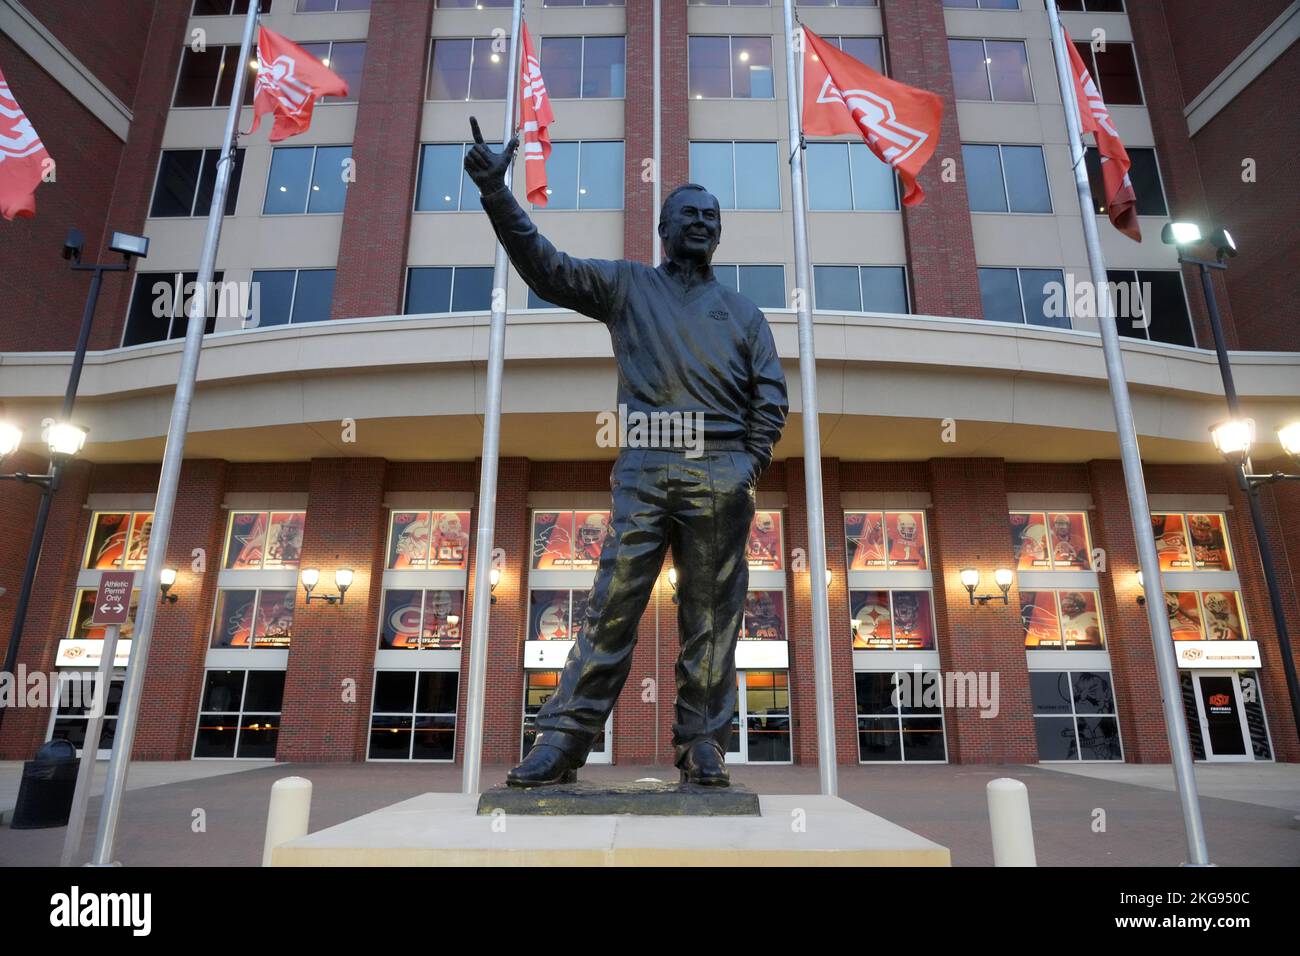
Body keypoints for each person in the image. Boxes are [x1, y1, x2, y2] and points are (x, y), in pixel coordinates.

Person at [465, 119, 788, 787]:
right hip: (644, 463)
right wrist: (497, 193)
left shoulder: (743, 313)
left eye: (709, 216)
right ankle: (564, 739)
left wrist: (747, 463)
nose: (699, 223)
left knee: (712, 615)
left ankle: (702, 742)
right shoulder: (626, 287)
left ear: (719, 233)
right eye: (686, 215)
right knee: (612, 602)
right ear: (663, 230)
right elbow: (546, 268)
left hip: (721, 470)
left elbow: (771, 397)